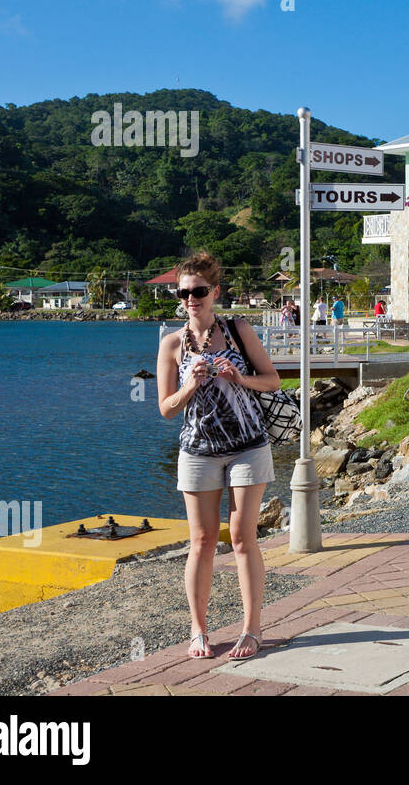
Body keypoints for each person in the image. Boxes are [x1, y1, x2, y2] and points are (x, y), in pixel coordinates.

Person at [155, 251, 281, 661]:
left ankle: (252, 629)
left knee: (244, 538)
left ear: (215, 293)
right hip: (198, 451)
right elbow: (166, 408)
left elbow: (273, 380)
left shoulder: (239, 329)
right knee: (203, 540)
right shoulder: (172, 344)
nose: (191, 299)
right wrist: (190, 384)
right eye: (184, 292)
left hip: (248, 446)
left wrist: (238, 377)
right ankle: (198, 630)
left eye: (199, 291)